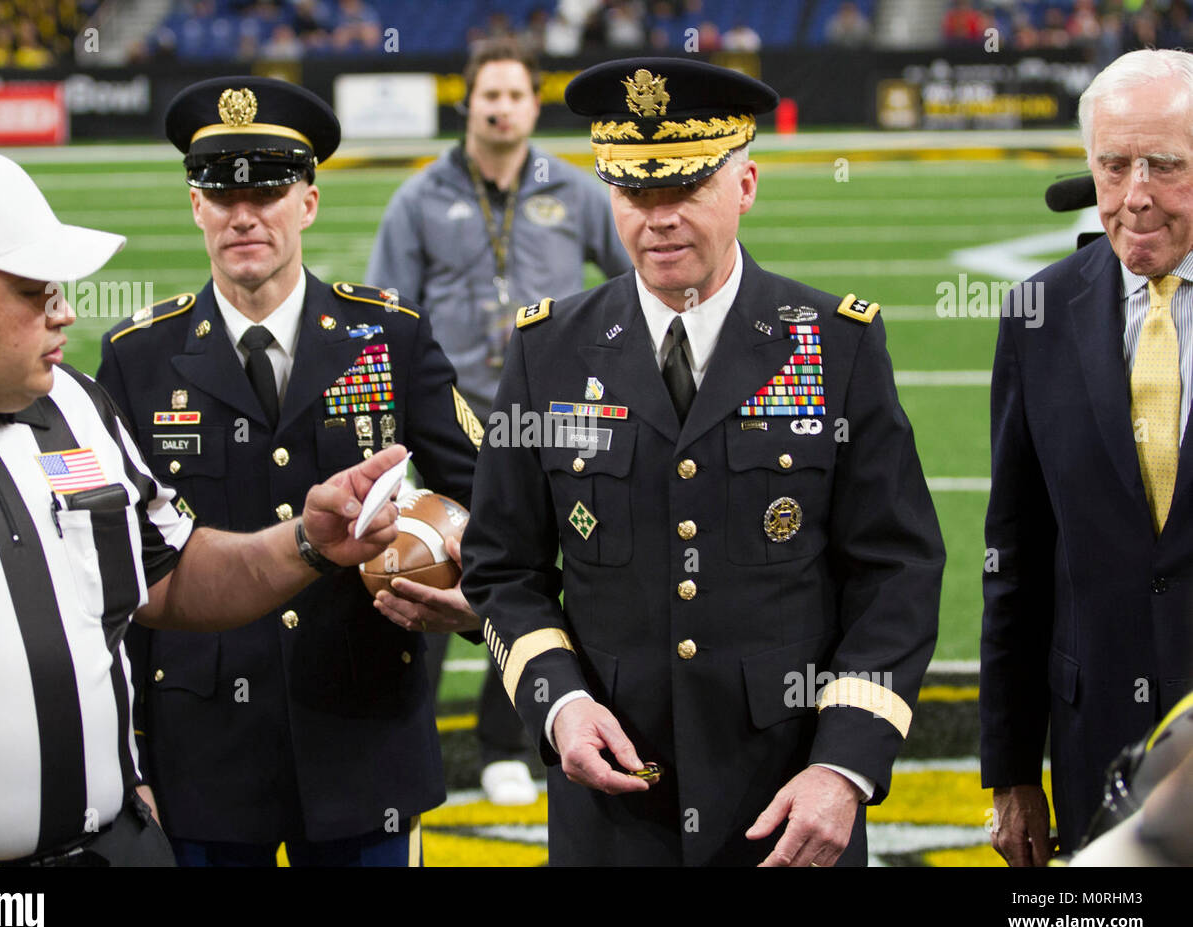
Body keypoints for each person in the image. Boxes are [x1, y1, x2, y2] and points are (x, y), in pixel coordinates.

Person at [458, 57, 946, 866]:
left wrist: (845, 765)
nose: (658, 218)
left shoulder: (835, 343)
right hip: (610, 810)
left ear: (746, 184)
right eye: (633, 192)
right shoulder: (546, 349)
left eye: (684, 188)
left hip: (789, 806)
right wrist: (559, 705)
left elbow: (897, 568)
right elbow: (502, 568)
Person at [0, 148, 407, 867]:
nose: (65, 311)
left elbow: (167, 574)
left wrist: (307, 543)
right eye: (35, 290)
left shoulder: (71, 402)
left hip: (115, 848)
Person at [98, 76, 481, 867]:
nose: (245, 214)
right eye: (220, 191)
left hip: (363, 738)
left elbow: (493, 495)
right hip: (201, 756)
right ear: (195, 205)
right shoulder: (136, 359)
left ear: (307, 202)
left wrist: (471, 595)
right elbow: (114, 570)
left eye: (269, 189)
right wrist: (125, 753)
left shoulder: (391, 336)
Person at [365, 36, 630, 805]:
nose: (502, 107)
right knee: (427, 567)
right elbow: (386, 315)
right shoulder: (419, 196)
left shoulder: (576, 190)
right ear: (468, 102)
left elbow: (631, 282)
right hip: (450, 422)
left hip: (548, 420)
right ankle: (406, 738)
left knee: (534, 579)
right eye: (490, 95)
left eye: (516, 95)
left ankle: (502, 739)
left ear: (533, 104)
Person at [981, 48, 1193, 865]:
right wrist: (1010, 770)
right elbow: (1016, 556)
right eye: (1113, 165)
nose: (1135, 194)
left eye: (1165, 165)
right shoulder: (1038, 312)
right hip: (1091, 738)